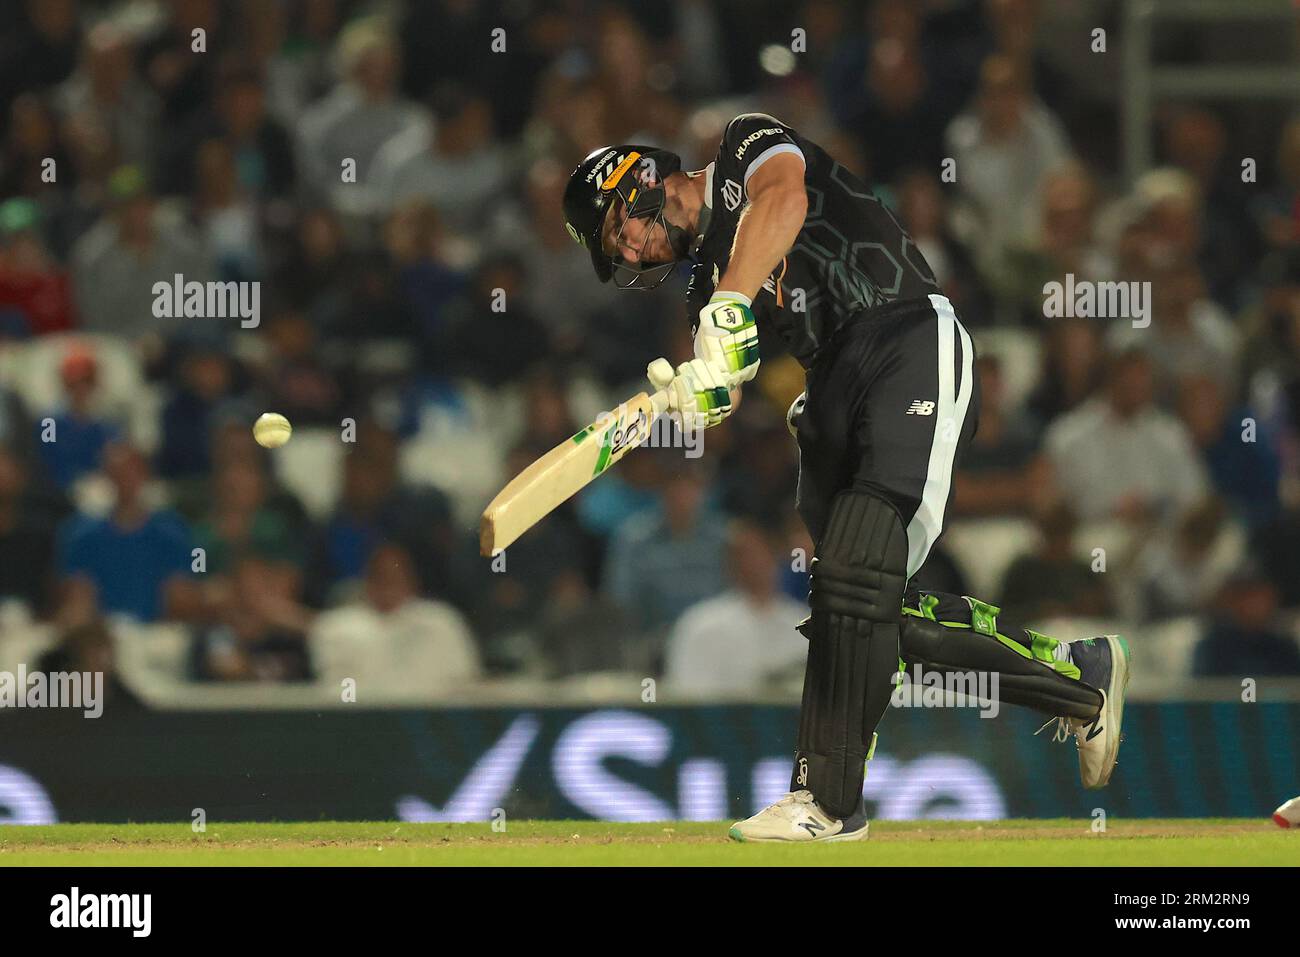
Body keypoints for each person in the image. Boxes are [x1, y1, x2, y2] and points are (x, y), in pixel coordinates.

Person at [561, 112, 1131, 843]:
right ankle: (1082, 678)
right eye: (619, 252)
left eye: (620, 232)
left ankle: (825, 801)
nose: (634, 252)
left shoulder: (743, 149)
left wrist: (729, 308)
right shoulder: (705, 285)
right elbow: (729, 385)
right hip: (830, 392)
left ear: (639, 179)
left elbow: (784, 200)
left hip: (905, 338)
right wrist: (691, 395)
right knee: (856, 606)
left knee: (858, 580)